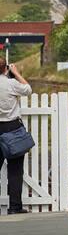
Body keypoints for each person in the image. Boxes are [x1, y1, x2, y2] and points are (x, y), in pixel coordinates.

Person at [0, 54, 32, 215]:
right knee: (15, 171)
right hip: (12, 128)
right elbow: (28, 89)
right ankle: (15, 207)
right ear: (5, 69)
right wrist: (17, 73)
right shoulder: (11, 83)